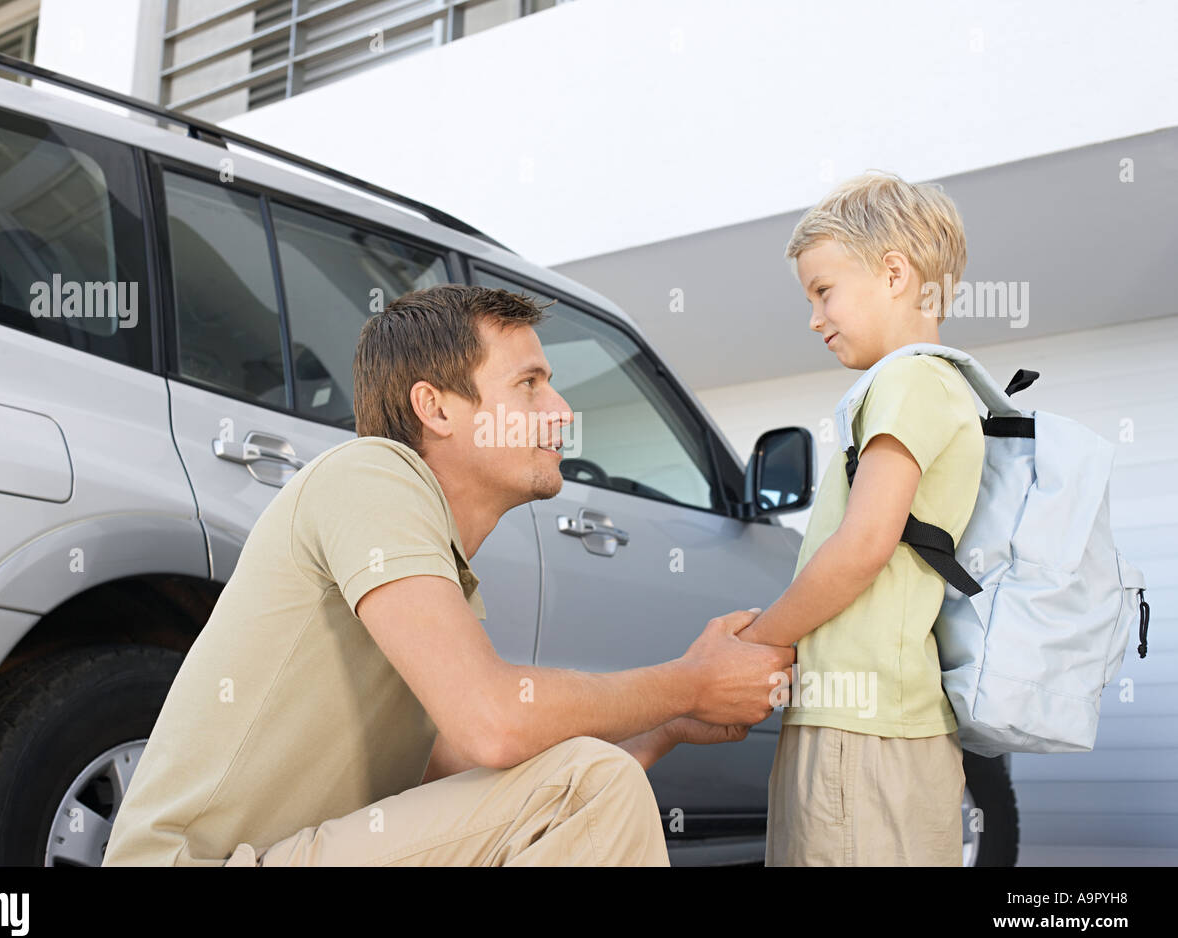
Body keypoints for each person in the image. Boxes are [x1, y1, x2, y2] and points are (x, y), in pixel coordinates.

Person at [102, 284, 793, 867]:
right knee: (590, 784)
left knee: (589, 779)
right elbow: (494, 722)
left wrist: (668, 721)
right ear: (434, 408)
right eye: (529, 385)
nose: (562, 414)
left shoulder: (435, 567)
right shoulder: (369, 475)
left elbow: (455, 779)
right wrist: (692, 680)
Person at [744, 171, 984, 866]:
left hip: (864, 730)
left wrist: (761, 641)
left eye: (823, 291)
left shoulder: (909, 380)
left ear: (894, 274)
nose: (815, 317)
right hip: (862, 720)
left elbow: (864, 545)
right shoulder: (927, 385)